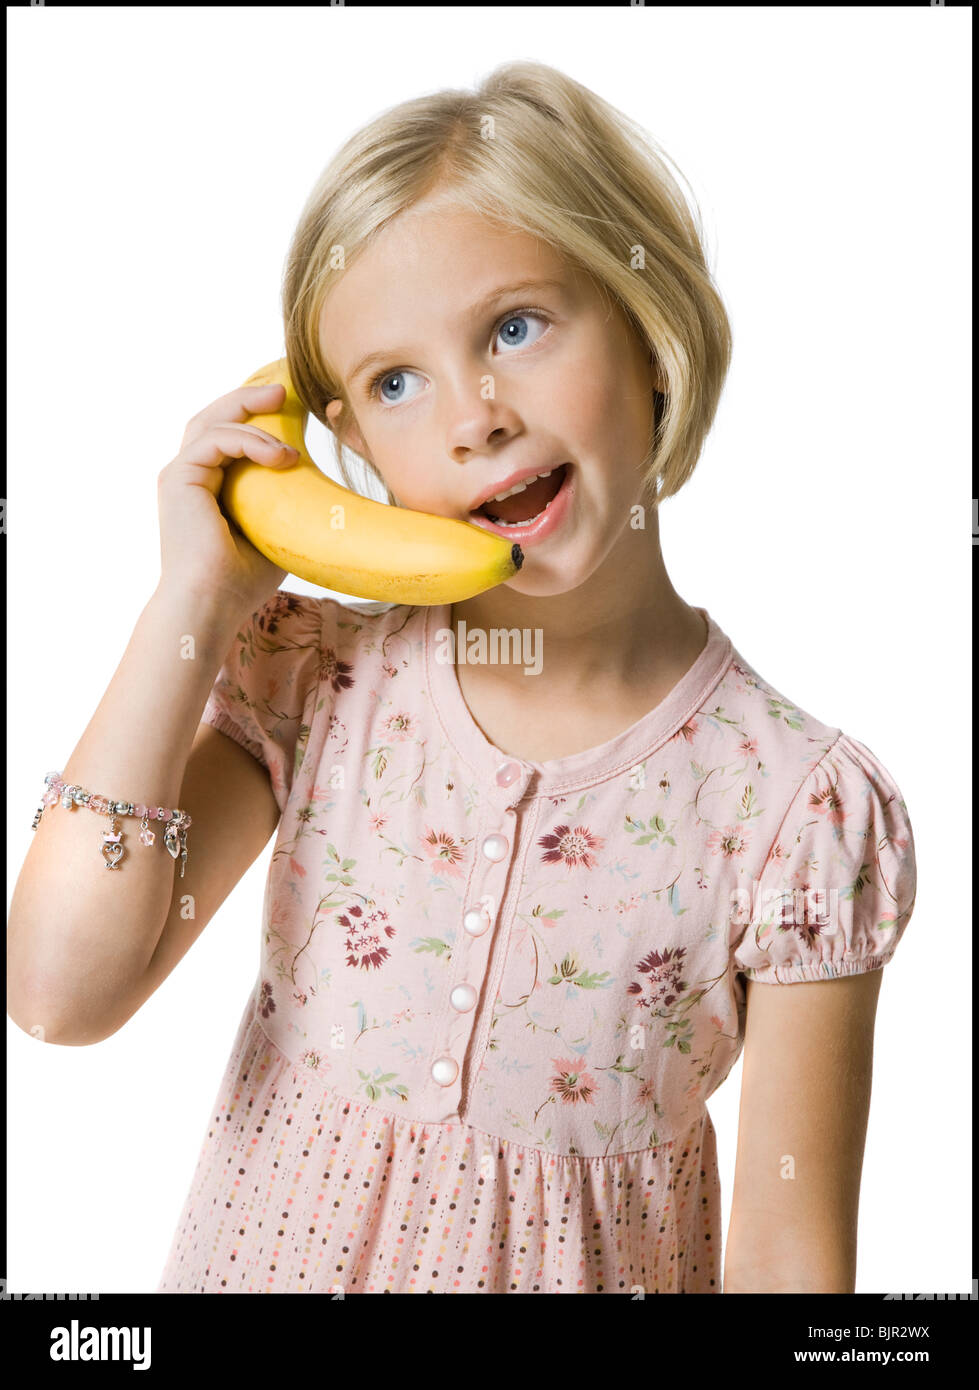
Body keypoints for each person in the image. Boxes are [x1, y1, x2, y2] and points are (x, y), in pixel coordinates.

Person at [8, 61, 916, 1295]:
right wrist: (191, 603)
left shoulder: (794, 808)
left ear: (650, 336)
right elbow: (60, 992)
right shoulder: (314, 682)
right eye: (395, 382)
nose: (474, 416)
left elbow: (789, 1258)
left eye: (514, 329)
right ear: (357, 447)